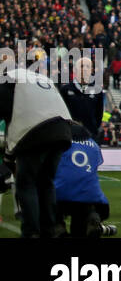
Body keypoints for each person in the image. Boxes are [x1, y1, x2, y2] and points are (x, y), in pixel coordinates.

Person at [0, 66, 74, 237]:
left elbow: (8, 115)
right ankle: (50, 228)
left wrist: (7, 160)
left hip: (36, 131)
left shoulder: (8, 80)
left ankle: (31, 231)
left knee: (26, 183)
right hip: (62, 129)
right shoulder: (36, 78)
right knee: (46, 182)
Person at [54, 122, 115, 237]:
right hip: (94, 201)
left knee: (45, 198)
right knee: (80, 223)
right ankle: (91, 219)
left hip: (60, 198)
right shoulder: (94, 146)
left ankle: (57, 227)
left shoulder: (59, 144)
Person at [59, 57, 104, 138]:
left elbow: (99, 114)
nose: (85, 69)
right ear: (75, 70)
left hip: (90, 135)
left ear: (92, 70)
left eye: (88, 66)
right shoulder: (65, 89)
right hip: (69, 135)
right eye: (82, 66)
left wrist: (93, 127)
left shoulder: (97, 90)